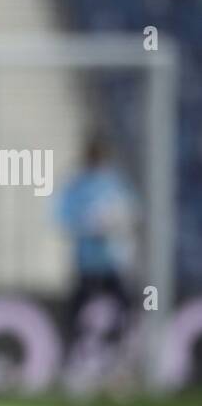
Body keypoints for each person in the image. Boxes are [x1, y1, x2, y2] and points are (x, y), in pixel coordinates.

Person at [55, 135, 138, 354]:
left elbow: (132, 213)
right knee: (78, 309)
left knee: (125, 306)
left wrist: (116, 223)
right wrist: (87, 224)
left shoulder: (114, 182)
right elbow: (62, 217)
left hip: (112, 260)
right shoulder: (77, 185)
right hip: (87, 261)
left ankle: (120, 349)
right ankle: (76, 352)